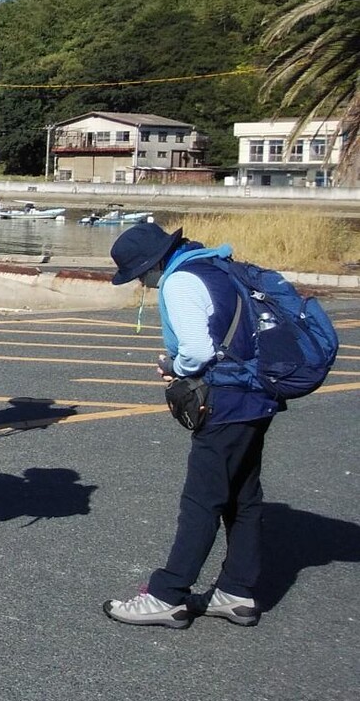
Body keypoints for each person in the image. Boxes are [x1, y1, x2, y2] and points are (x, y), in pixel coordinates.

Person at [102, 223, 280, 629]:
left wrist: (175, 367)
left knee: (202, 500)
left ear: (152, 264)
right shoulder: (218, 266)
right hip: (258, 395)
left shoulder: (180, 281)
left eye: (141, 275)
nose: (144, 283)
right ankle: (237, 590)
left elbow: (198, 350)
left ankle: (169, 595)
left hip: (225, 401)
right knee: (243, 496)